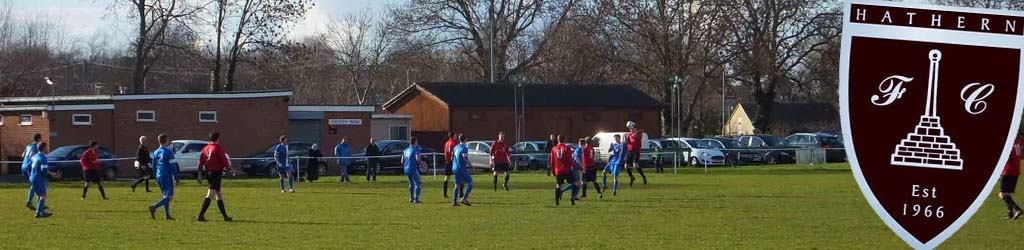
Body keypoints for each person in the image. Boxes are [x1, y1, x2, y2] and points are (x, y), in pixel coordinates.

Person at [196, 131, 234, 222]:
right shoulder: (217, 148)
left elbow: (200, 161)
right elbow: (224, 159)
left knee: (218, 194)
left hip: (208, 172)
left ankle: (225, 216)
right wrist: (230, 168)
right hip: (216, 173)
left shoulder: (206, 148)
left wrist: (200, 173)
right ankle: (200, 215)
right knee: (211, 194)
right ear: (218, 138)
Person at [149, 134, 179, 220]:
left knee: (165, 195)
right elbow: (173, 166)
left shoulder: (155, 152)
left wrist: (155, 178)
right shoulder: (168, 152)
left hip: (159, 175)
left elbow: (154, 167)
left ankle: (167, 215)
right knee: (169, 197)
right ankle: (154, 207)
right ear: (166, 140)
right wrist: (176, 178)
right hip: (166, 176)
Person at [1001, 135, 1023, 220]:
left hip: (1008, 170)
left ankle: (1017, 209)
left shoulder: (1009, 141)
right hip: (1016, 170)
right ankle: (1010, 213)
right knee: (1008, 193)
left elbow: (1005, 157)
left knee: (1002, 194)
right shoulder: (1019, 140)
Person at [550, 135, 577, 206]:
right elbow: (570, 160)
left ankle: (556, 202)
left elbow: (552, 161)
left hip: (558, 170)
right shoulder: (567, 148)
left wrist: (553, 170)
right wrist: (571, 166)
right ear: (564, 140)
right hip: (567, 170)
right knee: (575, 183)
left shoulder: (554, 149)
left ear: (558, 140)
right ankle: (572, 198)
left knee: (558, 185)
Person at [30, 142, 52, 218]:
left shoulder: (34, 156)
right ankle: (38, 213)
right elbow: (44, 170)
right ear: (44, 148)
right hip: (39, 179)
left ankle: (41, 211)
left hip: (33, 178)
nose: (47, 148)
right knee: (43, 196)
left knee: (39, 195)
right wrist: (52, 175)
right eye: (46, 147)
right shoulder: (43, 158)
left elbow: (33, 166)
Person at [451, 134, 475, 206]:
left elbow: (452, 157)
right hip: (461, 168)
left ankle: (454, 201)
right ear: (465, 140)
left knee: (457, 185)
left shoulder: (456, 147)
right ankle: (464, 199)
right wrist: (472, 166)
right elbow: (465, 158)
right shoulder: (464, 148)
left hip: (455, 168)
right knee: (471, 183)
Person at [402, 137, 425, 204]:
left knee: (411, 183)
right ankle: (416, 199)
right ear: (415, 142)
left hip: (406, 169)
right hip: (412, 168)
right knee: (418, 183)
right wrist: (422, 165)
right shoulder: (415, 149)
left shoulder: (405, 150)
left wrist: (406, 164)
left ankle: (411, 198)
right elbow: (417, 159)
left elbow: (401, 161)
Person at [22, 133, 41, 210]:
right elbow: (31, 156)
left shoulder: (28, 146)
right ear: (39, 139)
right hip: (29, 167)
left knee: (36, 184)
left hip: (23, 166)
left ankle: (40, 202)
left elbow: (23, 155)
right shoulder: (35, 147)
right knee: (34, 184)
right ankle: (29, 202)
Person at [625, 121, 648, 186]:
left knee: (635, 165)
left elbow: (634, 137)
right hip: (629, 151)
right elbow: (628, 142)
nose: (631, 130)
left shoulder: (638, 134)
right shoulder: (629, 134)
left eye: (632, 128)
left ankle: (643, 177)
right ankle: (632, 177)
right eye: (630, 129)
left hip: (636, 151)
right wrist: (626, 139)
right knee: (626, 166)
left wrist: (637, 132)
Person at [442, 132, 456, 198]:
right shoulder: (452, 143)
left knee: (446, 178)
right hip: (452, 162)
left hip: (447, 162)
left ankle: (445, 194)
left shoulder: (446, 142)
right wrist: (453, 158)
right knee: (458, 177)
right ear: (453, 136)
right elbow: (451, 152)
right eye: (455, 135)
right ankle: (460, 193)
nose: (456, 136)